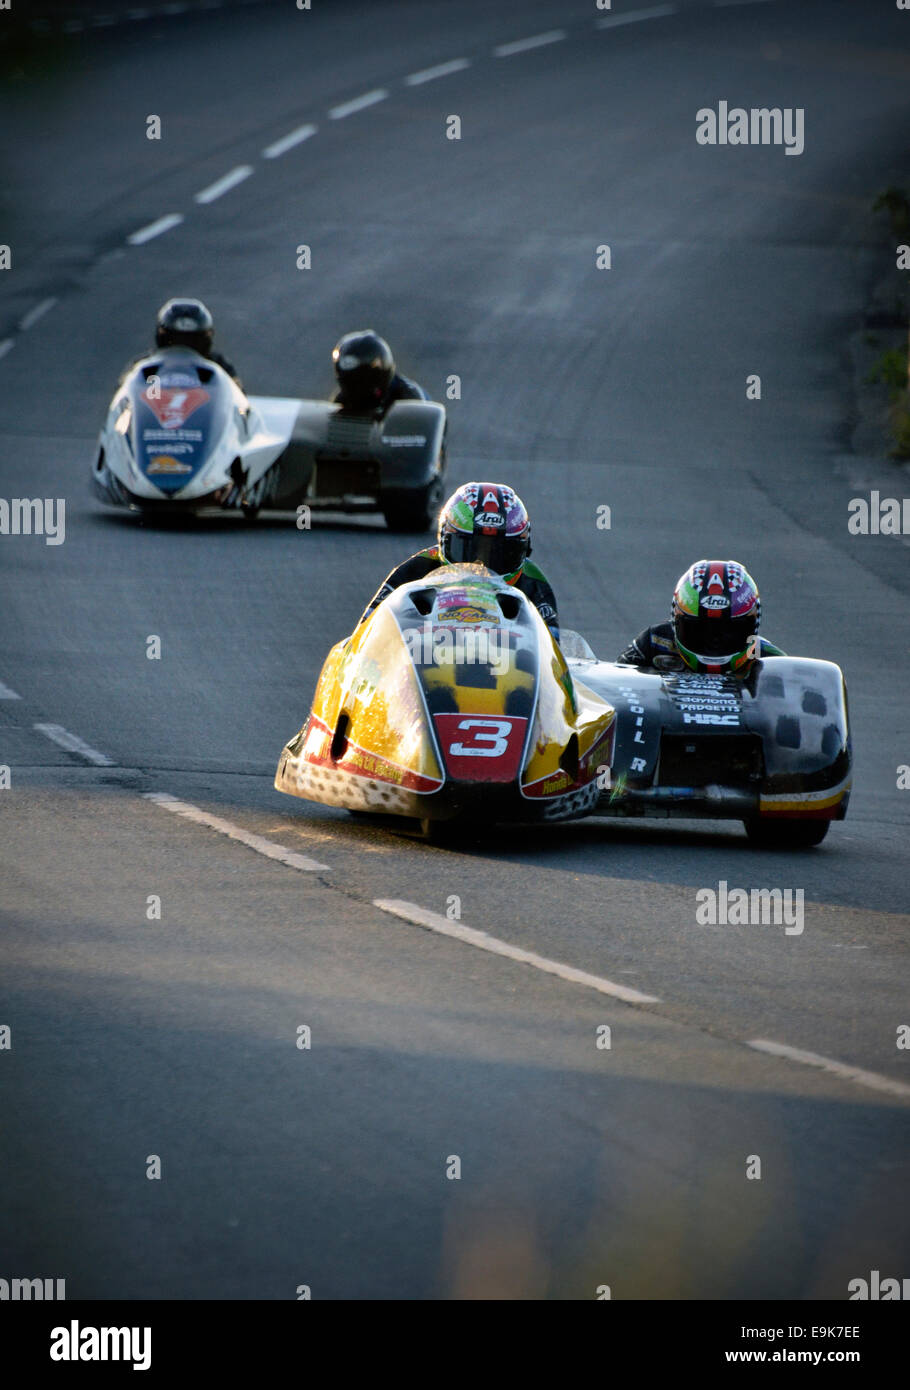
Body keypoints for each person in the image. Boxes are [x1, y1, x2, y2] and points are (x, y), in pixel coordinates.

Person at [358, 481, 560, 640]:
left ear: (523, 550)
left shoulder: (534, 582)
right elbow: (365, 633)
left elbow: (552, 649)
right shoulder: (417, 568)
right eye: (469, 551)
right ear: (444, 541)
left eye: (499, 554)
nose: (481, 568)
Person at [619, 559, 784, 673]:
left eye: (728, 631)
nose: (714, 641)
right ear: (676, 621)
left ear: (753, 625)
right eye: (699, 631)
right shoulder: (655, 642)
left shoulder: (769, 660)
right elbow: (613, 688)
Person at [123, 298, 242, 385]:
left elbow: (237, 399)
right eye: (176, 339)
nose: (183, 346)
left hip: (205, 413)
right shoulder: (144, 367)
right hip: (152, 412)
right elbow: (125, 397)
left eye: (193, 340)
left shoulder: (219, 366)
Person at [332, 330, 427, 413]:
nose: (355, 387)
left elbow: (419, 423)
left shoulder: (407, 397)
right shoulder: (342, 399)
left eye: (359, 380)